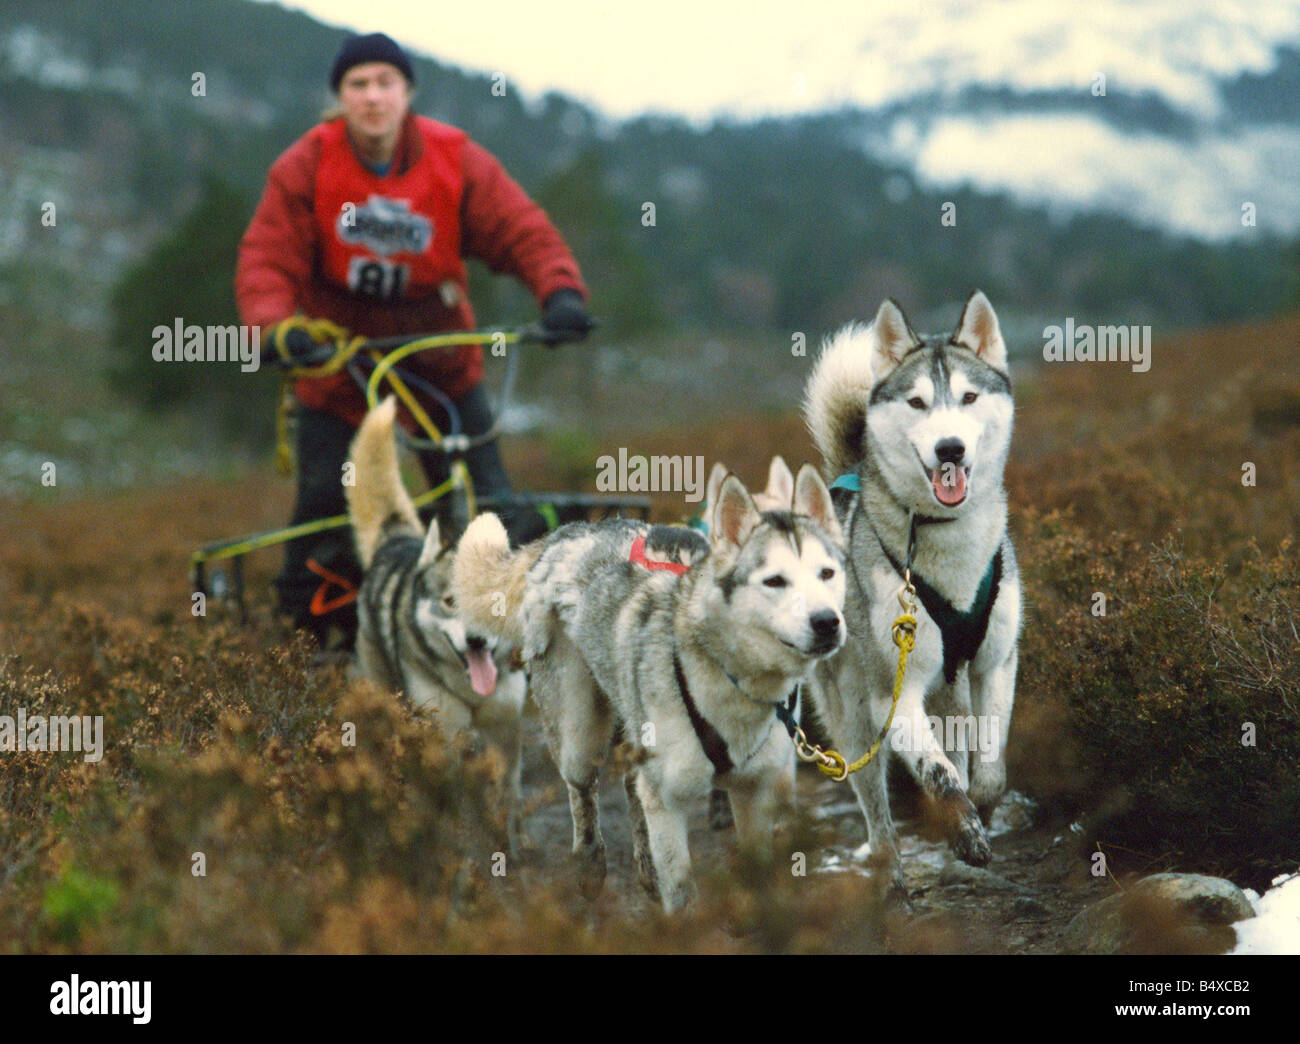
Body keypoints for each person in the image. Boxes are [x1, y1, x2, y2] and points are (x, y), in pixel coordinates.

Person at [235, 31, 592, 652]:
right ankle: (314, 647)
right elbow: (268, 257)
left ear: (408, 92)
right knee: (327, 504)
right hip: (339, 366)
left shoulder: (454, 158)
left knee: (486, 501)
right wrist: (275, 328)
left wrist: (560, 293)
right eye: (358, 85)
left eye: (385, 83)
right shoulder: (307, 165)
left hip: (440, 361)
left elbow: (520, 228)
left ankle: (502, 635)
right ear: (341, 97)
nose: (373, 97)